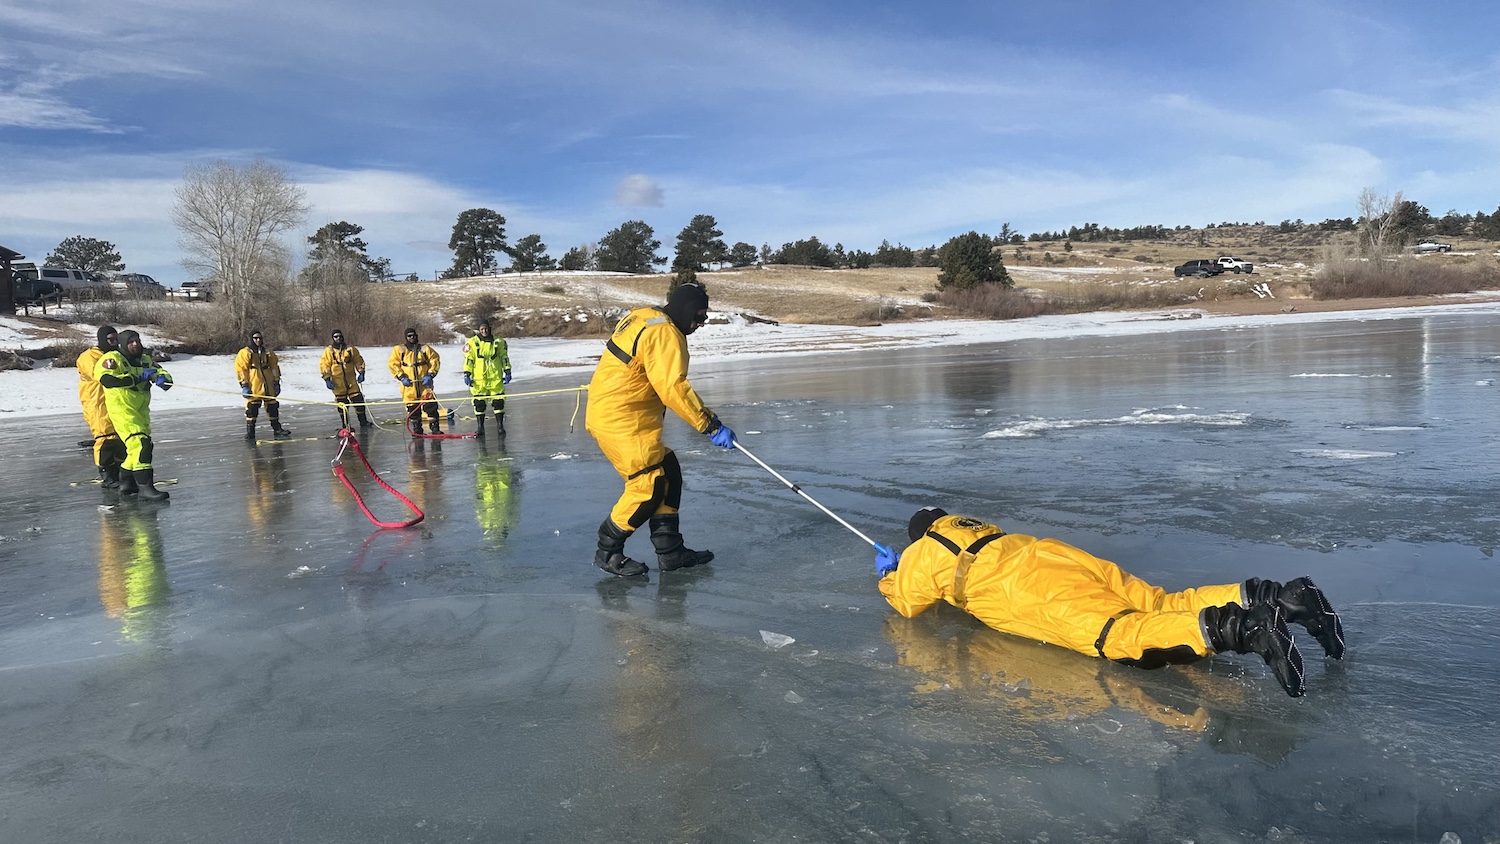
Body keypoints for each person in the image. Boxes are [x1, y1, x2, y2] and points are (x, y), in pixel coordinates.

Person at [874, 508, 1346, 698]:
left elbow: (908, 604)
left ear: (920, 535)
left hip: (1032, 591)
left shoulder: (923, 553)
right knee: (1159, 603)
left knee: (1116, 634)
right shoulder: (974, 525)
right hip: (1056, 557)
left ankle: (1243, 629)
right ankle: (1279, 597)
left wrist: (890, 574)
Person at [585, 281, 735, 577]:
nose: (701, 324)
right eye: (699, 316)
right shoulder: (664, 332)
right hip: (620, 419)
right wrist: (710, 425)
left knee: (668, 470)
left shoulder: (646, 316)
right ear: (686, 309)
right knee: (648, 486)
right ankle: (607, 551)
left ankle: (671, 552)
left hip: (624, 415)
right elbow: (672, 388)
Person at [94, 329, 174, 500]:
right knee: (140, 444)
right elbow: (108, 380)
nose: (135, 344)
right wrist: (136, 379)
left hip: (141, 411)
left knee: (137, 449)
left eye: (137, 341)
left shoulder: (145, 360)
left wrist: (162, 379)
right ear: (123, 344)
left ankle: (127, 484)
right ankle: (145, 487)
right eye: (130, 342)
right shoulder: (112, 359)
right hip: (123, 410)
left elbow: (163, 373)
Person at [77, 324, 126, 488]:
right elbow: (101, 374)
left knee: (120, 436)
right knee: (105, 437)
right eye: (110, 340)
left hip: (114, 401)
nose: (114, 343)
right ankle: (107, 474)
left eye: (116, 339)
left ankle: (119, 470)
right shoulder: (89, 356)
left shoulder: (115, 355)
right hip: (96, 402)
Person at [388, 327, 442, 435]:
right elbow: (392, 364)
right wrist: (401, 376)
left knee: (431, 407)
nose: (412, 337)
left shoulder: (425, 349)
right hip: (409, 387)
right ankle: (417, 430)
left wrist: (430, 374)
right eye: (409, 336)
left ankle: (435, 429)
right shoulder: (399, 350)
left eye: (413, 335)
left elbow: (434, 360)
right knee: (413, 410)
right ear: (406, 337)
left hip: (424, 386)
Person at [235, 330, 288, 439]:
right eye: (255, 338)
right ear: (251, 339)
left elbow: (274, 367)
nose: (258, 340)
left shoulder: (267, 352)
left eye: (259, 338)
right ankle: (250, 431)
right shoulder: (245, 353)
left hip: (268, 384)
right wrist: (244, 385)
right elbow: (241, 369)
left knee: (273, 406)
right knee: (252, 407)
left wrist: (276, 381)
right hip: (254, 384)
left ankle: (277, 428)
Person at [462, 319, 511, 437]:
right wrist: (467, 373)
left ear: (489, 328)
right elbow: (469, 360)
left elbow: (504, 357)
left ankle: (500, 426)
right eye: (481, 329)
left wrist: (507, 370)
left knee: (498, 403)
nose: (484, 331)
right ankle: (480, 428)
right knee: (479, 404)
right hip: (479, 380)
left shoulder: (499, 342)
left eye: (486, 329)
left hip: (495, 378)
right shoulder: (472, 343)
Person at [319, 328, 370, 429]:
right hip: (338, 384)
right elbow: (324, 365)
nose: (338, 338)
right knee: (342, 406)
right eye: (336, 337)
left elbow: (358, 360)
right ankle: (345, 425)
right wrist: (327, 379)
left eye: (340, 336)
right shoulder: (329, 351)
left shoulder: (350, 349)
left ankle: (363, 422)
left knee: (359, 401)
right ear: (333, 338)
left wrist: (361, 372)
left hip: (351, 381)